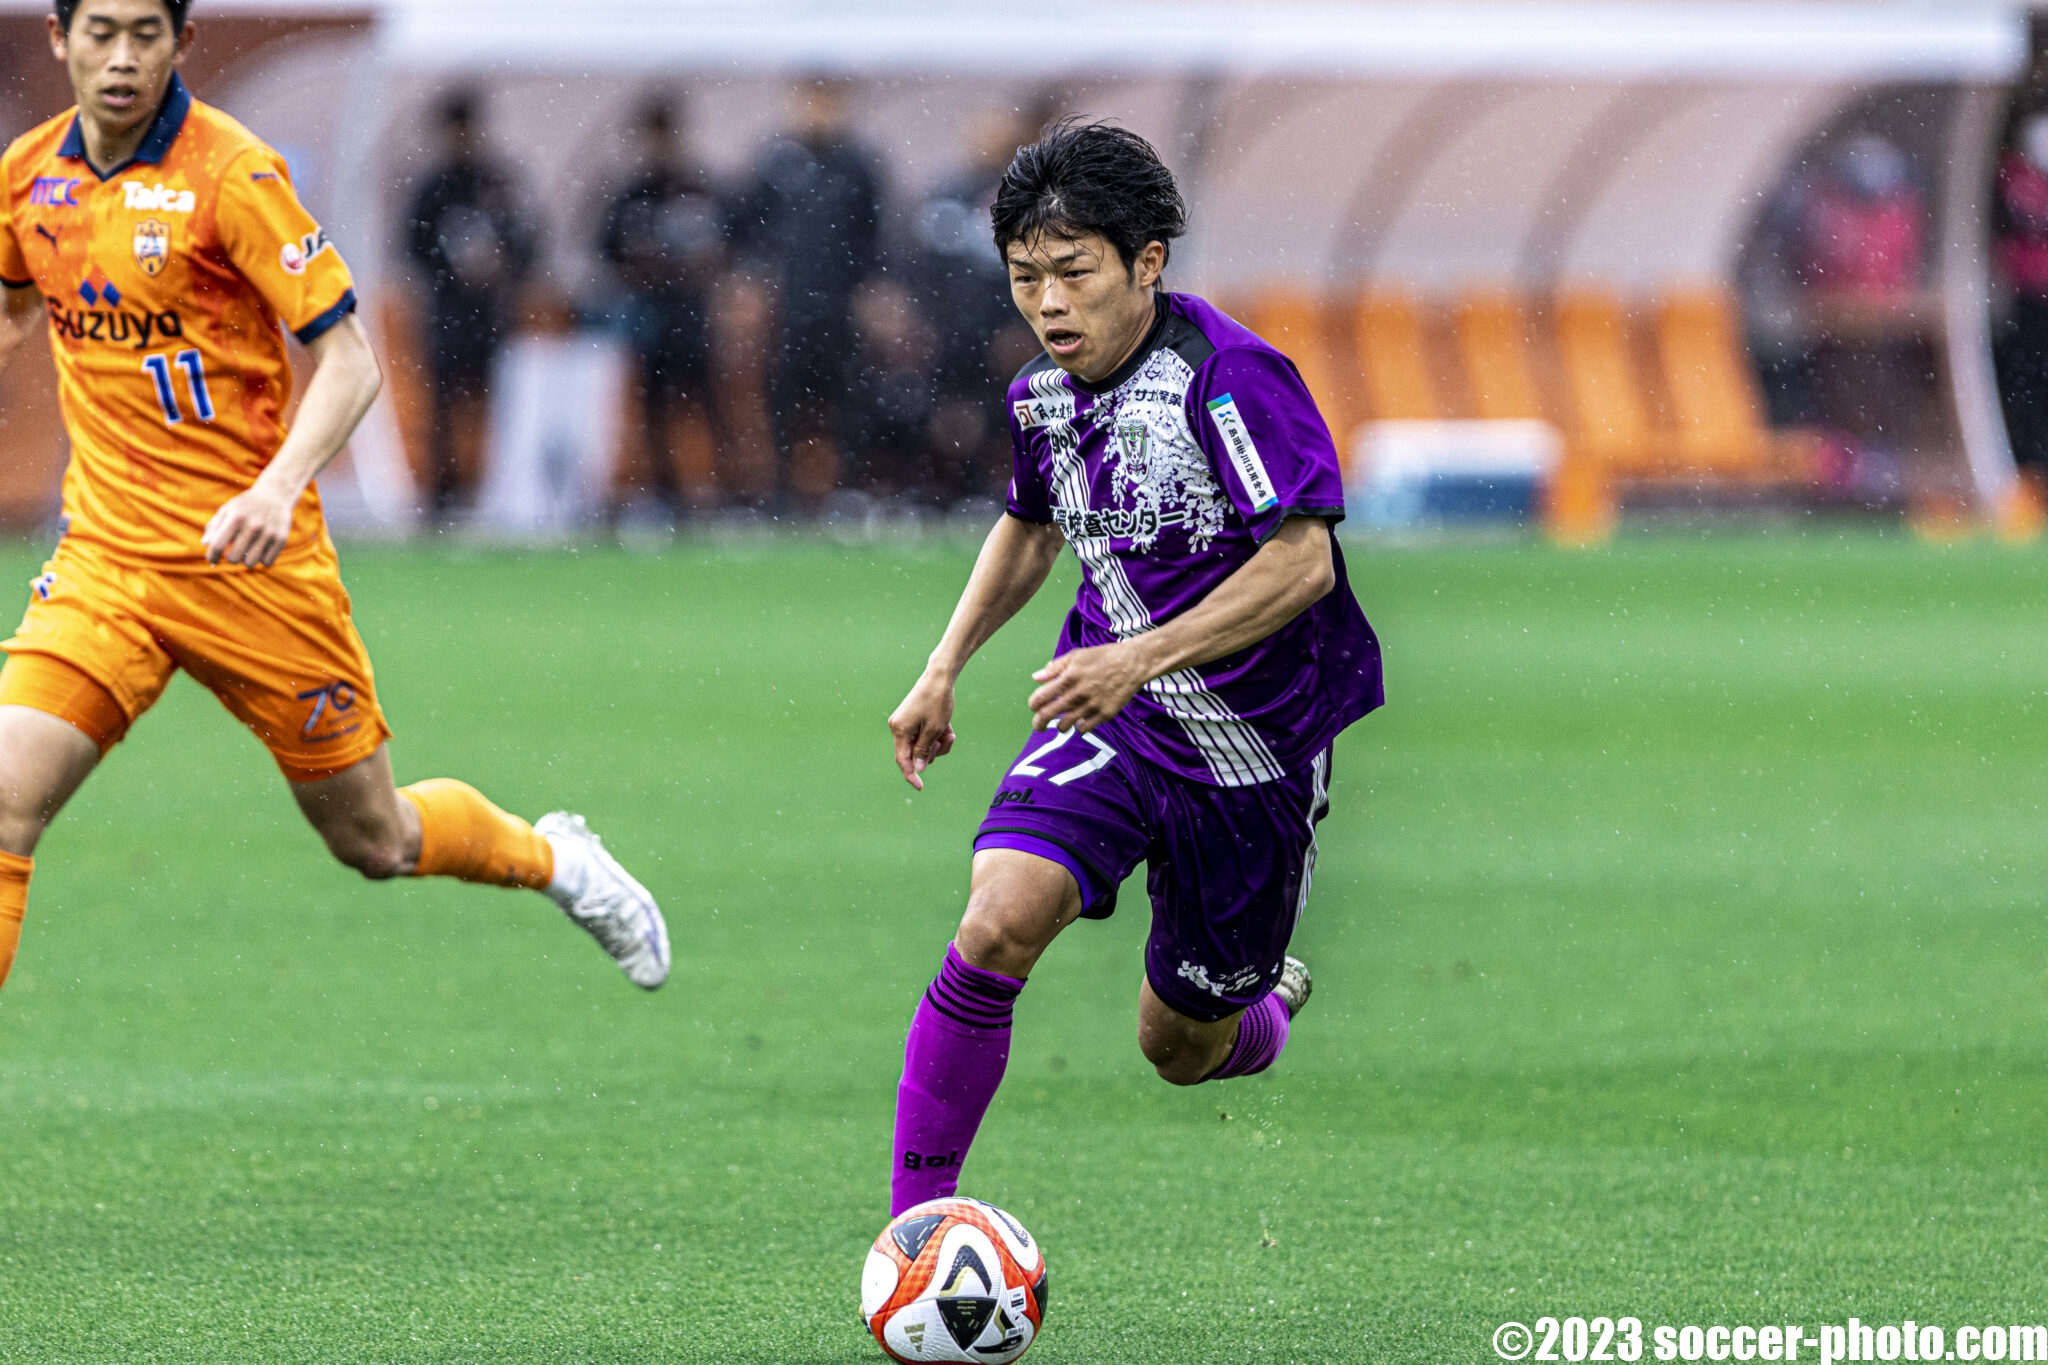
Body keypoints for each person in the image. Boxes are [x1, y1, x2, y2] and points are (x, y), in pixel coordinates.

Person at [0, 0, 668, 997]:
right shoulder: (27, 176)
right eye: (101, 32)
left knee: (375, 837)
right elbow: (15, 305)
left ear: (182, 42)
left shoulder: (233, 174)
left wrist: (277, 487)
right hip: (107, 562)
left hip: (252, 568)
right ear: (60, 39)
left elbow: (350, 362)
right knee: (6, 805)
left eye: (146, 33)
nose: (123, 57)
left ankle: (555, 860)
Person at [882, 121, 1383, 1215]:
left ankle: (1263, 1007)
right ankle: (913, 1228)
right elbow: (1030, 526)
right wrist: (943, 665)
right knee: (994, 921)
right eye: (1025, 278)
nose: (1048, 304)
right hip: (1109, 722)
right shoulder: (1041, 397)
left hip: (1248, 755)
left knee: (1179, 1047)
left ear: (1146, 262)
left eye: (1074, 273)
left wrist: (1140, 656)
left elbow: (1302, 563)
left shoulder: (1229, 380)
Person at [732, 78, 881, 508]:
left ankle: (849, 486)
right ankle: (781, 487)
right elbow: (750, 231)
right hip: (787, 304)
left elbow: (874, 235)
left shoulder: (857, 165)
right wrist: (754, 282)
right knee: (784, 395)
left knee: (848, 393)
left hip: (841, 301)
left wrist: (873, 290)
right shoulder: (774, 160)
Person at [405, 87, 536, 517]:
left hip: (492, 313)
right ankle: (443, 492)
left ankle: (503, 489)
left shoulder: (498, 182)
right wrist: (452, 268)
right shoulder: (433, 189)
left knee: (502, 405)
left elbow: (529, 240)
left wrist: (501, 266)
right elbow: (413, 247)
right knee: (443, 406)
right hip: (448, 312)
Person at [598, 94, 728, 517]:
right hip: (649, 314)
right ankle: (664, 489)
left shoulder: (698, 189)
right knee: (652, 408)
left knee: (709, 403)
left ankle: (722, 488)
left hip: (691, 312)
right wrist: (638, 266)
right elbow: (606, 249)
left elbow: (726, 246)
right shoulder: (631, 195)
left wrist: (699, 267)